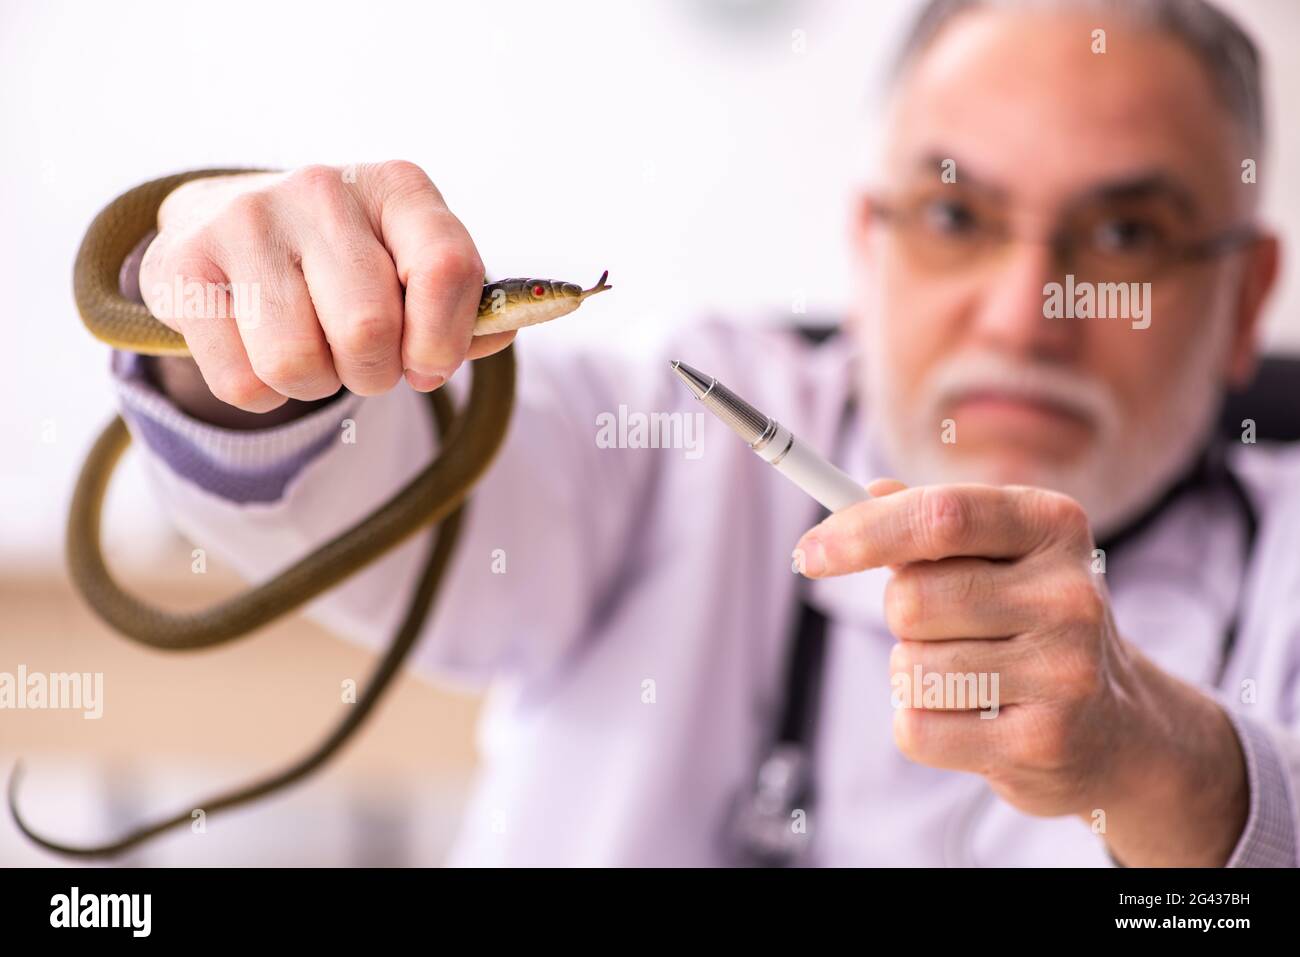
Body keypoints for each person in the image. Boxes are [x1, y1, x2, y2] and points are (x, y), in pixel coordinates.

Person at [107, 0, 1298, 866]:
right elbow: (367, 485)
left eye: (1128, 238)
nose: (1025, 313)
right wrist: (247, 317)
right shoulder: (678, 426)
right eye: (952, 213)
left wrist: (1161, 767)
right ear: (868, 240)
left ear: (1246, 298)